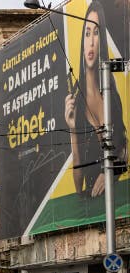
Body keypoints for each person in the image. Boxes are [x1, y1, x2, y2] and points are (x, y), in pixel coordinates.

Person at [65, 0, 127, 199]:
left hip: (119, 201)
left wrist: (109, 172)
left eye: (97, 32)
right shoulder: (76, 103)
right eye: (87, 33)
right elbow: (77, 184)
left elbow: (124, 148)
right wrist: (73, 130)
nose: (91, 41)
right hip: (92, 204)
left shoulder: (111, 90)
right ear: (83, 40)